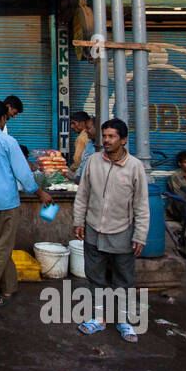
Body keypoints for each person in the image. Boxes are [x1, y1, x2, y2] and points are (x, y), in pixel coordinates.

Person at [72, 118, 149, 342]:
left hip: (122, 231)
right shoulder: (93, 162)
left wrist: (140, 234)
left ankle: (124, 321)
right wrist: (79, 221)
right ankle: (98, 318)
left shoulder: (135, 167)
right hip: (94, 229)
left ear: (123, 140)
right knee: (95, 277)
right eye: (105, 136)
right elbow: (83, 195)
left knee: (123, 279)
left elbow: (141, 205)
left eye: (112, 136)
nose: (106, 140)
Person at [0, 99, 53, 306]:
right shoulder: (8, 142)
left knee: (0, 245)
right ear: (2, 118)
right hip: (6, 201)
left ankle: (8, 287)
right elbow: (23, 174)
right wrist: (40, 192)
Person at [69, 111, 97, 178]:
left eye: (73, 123)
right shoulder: (91, 140)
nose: (71, 126)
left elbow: (78, 160)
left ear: (82, 123)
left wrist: (69, 170)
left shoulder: (82, 137)